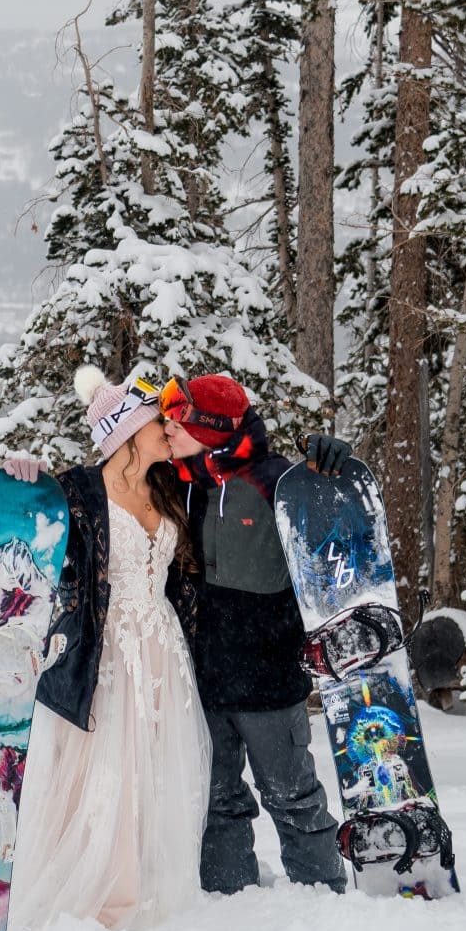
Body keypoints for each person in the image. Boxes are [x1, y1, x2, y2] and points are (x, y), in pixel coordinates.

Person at [1, 366, 211, 931]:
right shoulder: (79, 492)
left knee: (150, 771)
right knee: (104, 771)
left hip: (162, 651)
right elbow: (30, 529)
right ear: (126, 433)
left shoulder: (171, 488)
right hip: (105, 651)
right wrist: (23, 479)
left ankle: (139, 882)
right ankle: (103, 894)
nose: (167, 429)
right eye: (155, 422)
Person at [155, 373, 350, 895]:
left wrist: (332, 469)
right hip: (201, 682)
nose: (167, 428)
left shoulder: (280, 482)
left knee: (292, 795)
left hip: (267, 681)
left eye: (178, 419)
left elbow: (338, 543)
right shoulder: (177, 483)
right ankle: (226, 902)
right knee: (216, 799)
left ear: (212, 427)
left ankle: (326, 899)